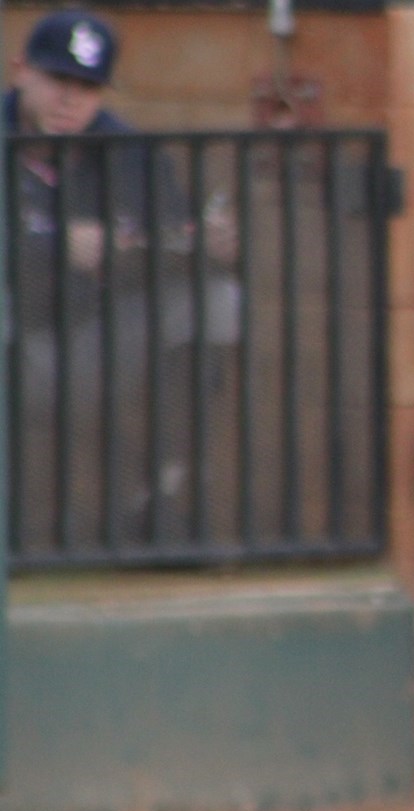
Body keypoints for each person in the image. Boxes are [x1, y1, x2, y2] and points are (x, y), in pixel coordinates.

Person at [6, 9, 234, 550]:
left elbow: (169, 231)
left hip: (97, 338)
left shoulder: (125, 149)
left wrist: (207, 244)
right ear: (21, 71)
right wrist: (54, 246)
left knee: (216, 301)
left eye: (87, 87)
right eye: (59, 80)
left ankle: (162, 495)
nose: (72, 99)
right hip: (18, 346)